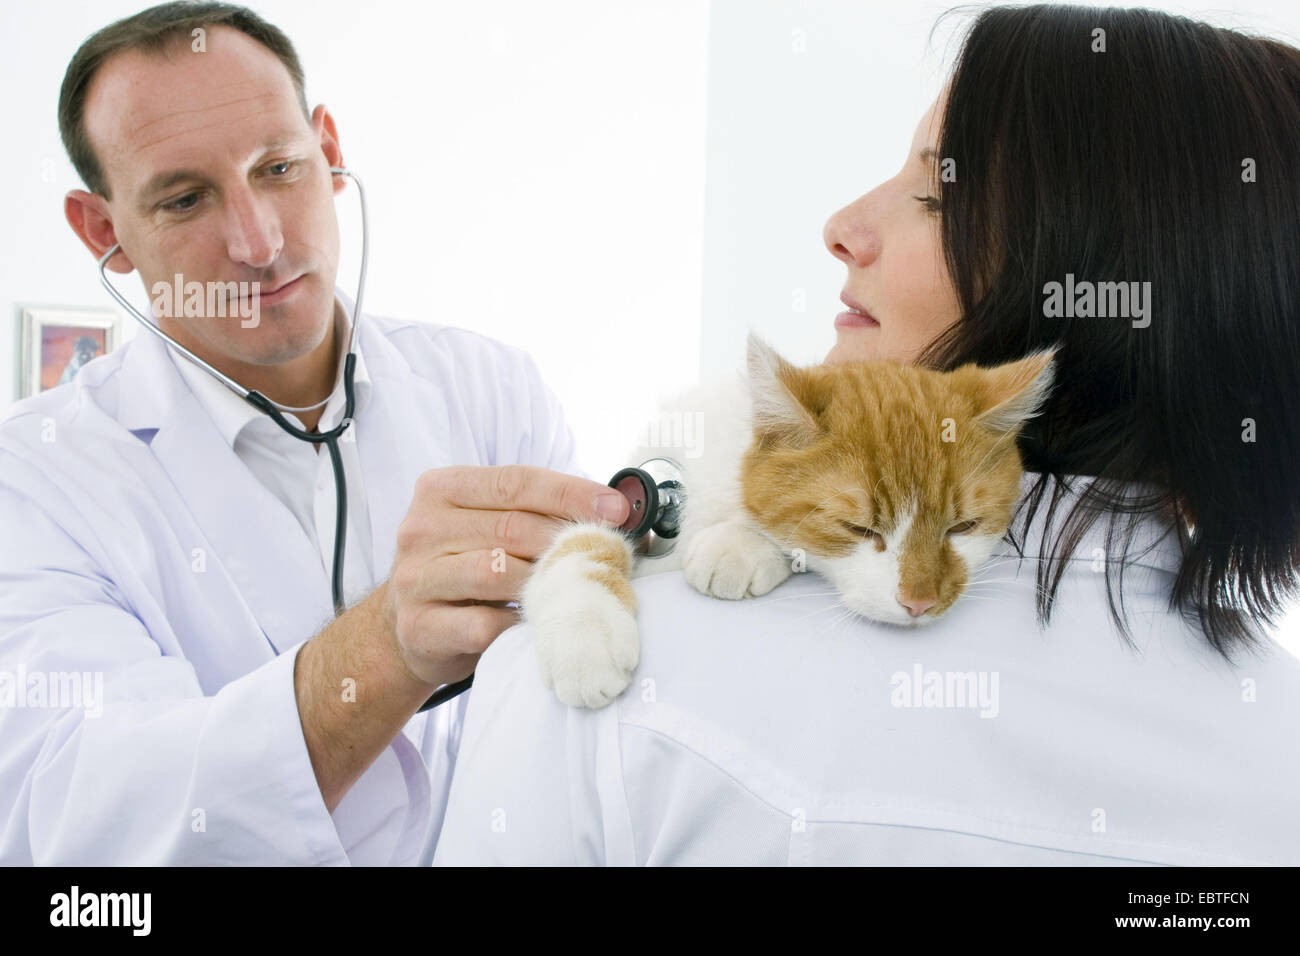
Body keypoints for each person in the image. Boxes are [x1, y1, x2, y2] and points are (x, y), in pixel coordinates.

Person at [432, 4, 1300, 865]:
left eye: (935, 193)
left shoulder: (609, 686)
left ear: (1087, 281)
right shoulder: (1276, 754)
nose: (843, 227)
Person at [0, 1, 629, 865]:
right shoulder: (35, 481)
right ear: (104, 231)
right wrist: (387, 646)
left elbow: (589, 708)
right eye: (185, 200)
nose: (258, 243)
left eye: (281, 168)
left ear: (330, 151)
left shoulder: (490, 388)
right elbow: (86, 827)